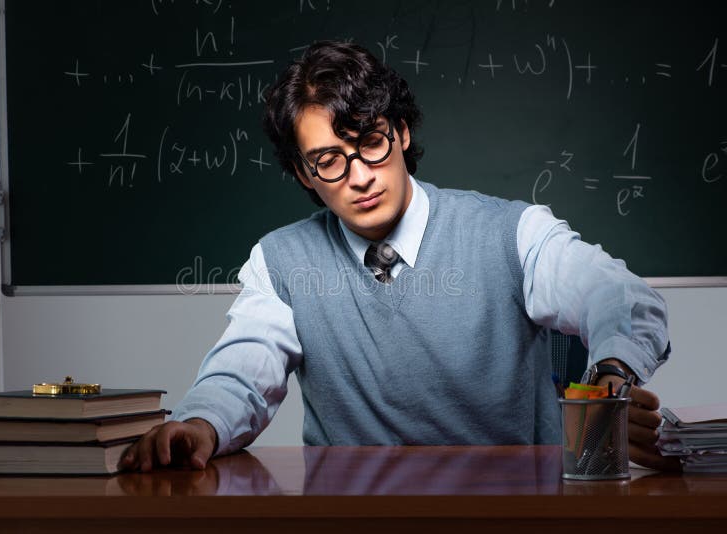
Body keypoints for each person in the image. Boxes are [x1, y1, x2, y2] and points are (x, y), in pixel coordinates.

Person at [120, 41, 677, 472]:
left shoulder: (511, 233)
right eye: (328, 161)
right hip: (352, 519)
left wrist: (610, 378)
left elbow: (621, 299)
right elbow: (242, 375)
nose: (360, 176)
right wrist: (200, 424)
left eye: (371, 142)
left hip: (508, 512)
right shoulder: (281, 263)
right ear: (303, 174)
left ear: (402, 133)